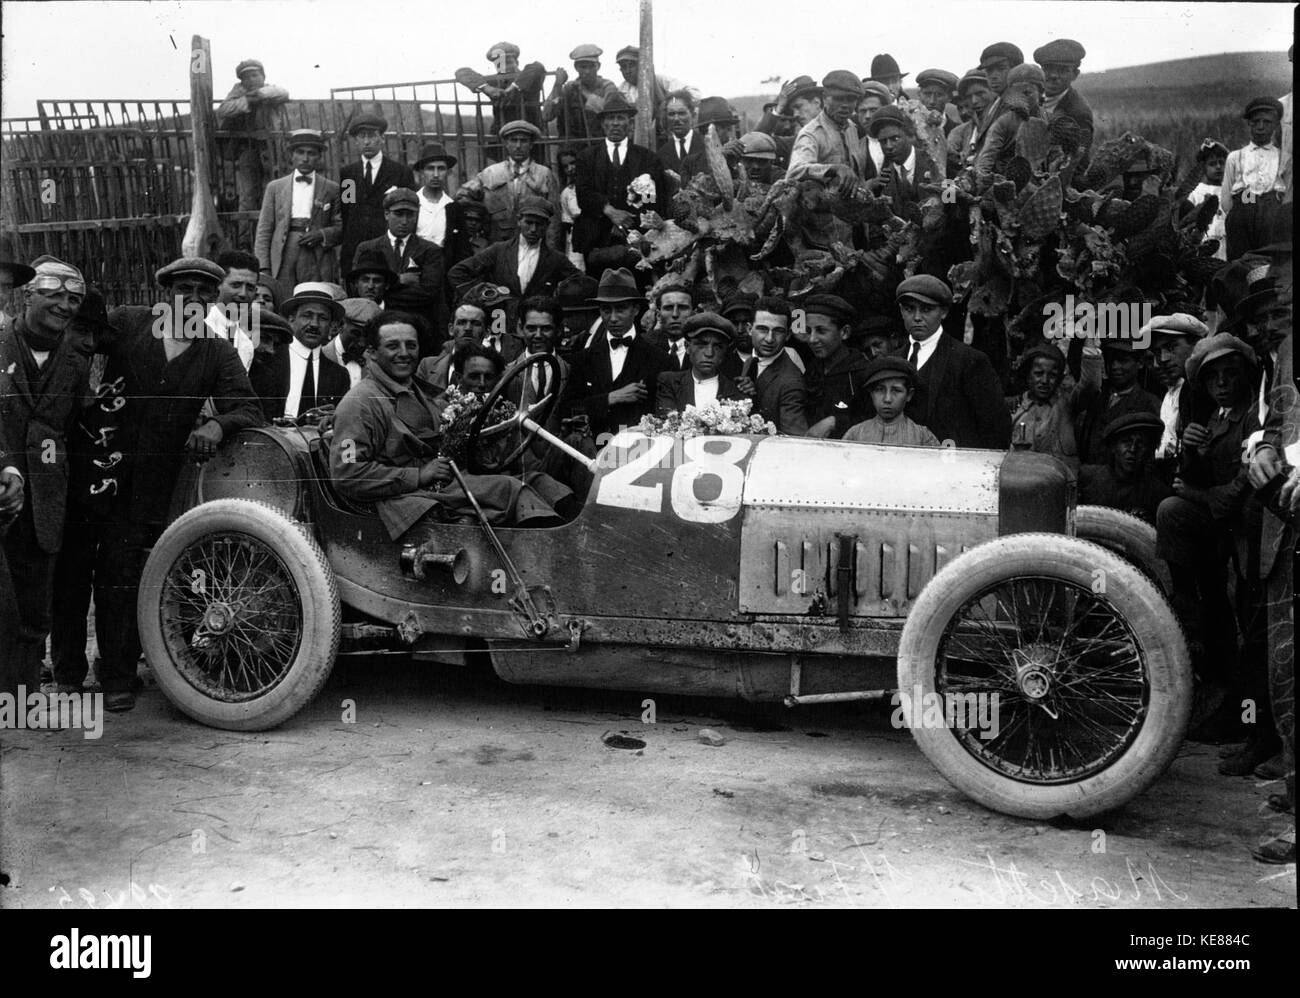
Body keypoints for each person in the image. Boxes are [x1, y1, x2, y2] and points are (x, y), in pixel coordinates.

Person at [96, 258, 263, 711]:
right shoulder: (130, 323)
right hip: (103, 470)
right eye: (182, 288)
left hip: (164, 481)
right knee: (105, 571)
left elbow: (248, 408)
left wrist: (218, 426)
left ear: (212, 301)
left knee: (146, 571)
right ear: (165, 292)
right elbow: (82, 335)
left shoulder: (216, 351)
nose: (191, 298)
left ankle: (131, 673)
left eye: (202, 292)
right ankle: (103, 669)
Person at [329, 311, 571, 537]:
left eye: (411, 345)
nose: (404, 353)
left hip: (441, 482)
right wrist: (418, 475)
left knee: (538, 480)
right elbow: (347, 474)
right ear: (371, 352)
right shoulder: (360, 403)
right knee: (509, 489)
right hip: (406, 497)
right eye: (392, 346)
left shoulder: (419, 391)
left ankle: (576, 538)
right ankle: (554, 558)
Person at [0, 256, 94, 696]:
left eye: (73, 299)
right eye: (53, 295)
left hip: (47, 498)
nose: (64, 305)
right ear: (27, 295)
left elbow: (75, 419)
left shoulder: (76, 356)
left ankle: (20, 699)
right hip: (3, 488)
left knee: (35, 608)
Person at [1156, 333, 1260, 707]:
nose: (1221, 383)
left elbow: (1235, 491)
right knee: (1171, 511)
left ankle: (1241, 704)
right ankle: (1186, 599)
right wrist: (1194, 449)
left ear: (1245, 376)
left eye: (1230, 375)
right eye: (1212, 376)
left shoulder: (1254, 419)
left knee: (1246, 616)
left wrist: (1196, 493)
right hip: (1222, 533)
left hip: (1248, 532)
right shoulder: (1217, 417)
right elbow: (1188, 479)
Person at [567, 267, 668, 441]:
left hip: (640, 454)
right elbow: (569, 408)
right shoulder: (582, 358)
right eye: (606, 310)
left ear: (636, 309)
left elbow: (666, 416)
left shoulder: (661, 359)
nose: (613, 318)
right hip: (593, 453)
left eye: (620, 309)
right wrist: (610, 398)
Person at [571, 93, 666, 271]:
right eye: (610, 118)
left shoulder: (647, 158)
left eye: (621, 118)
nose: (615, 123)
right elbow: (583, 194)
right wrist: (609, 211)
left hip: (636, 237)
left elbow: (651, 199)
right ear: (602, 123)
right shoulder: (587, 157)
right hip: (595, 238)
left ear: (630, 124)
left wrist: (626, 220)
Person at [255, 129, 342, 295]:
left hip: (316, 252)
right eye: (300, 152)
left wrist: (322, 234)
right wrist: (264, 266)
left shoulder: (333, 188)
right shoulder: (275, 187)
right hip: (284, 250)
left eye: (311, 153)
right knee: (282, 297)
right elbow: (264, 229)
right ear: (291, 155)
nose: (305, 158)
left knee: (313, 295)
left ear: (319, 157)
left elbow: (342, 226)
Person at [353, 188, 447, 338]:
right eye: (398, 214)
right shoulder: (367, 248)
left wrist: (381, 292)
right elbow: (357, 289)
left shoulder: (430, 250)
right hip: (372, 323)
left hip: (417, 326)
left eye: (410, 215)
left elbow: (427, 294)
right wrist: (399, 280)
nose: (404, 221)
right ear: (386, 214)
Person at [248, 284, 352, 420]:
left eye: (323, 318)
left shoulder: (339, 375)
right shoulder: (266, 361)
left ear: (331, 325)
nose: (314, 324)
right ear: (291, 319)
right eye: (307, 315)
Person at [447, 196, 580, 301]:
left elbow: (580, 282)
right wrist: (483, 295)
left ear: (547, 225)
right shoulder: (499, 251)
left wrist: (557, 300)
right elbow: (457, 273)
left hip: (536, 322)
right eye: (528, 222)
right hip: (500, 316)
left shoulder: (555, 259)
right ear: (519, 221)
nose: (533, 229)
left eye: (539, 224)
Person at [458, 121, 562, 248]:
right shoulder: (490, 173)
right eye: (513, 140)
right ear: (506, 144)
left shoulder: (544, 174)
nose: (518, 146)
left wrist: (549, 251)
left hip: (533, 245)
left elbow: (554, 220)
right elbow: (462, 198)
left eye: (523, 141)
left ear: (531, 145)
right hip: (497, 244)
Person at [337, 113, 414, 274]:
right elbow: (347, 212)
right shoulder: (348, 174)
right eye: (362, 136)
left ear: (382, 138)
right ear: (356, 141)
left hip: (387, 250)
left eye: (372, 136)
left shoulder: (400, 172)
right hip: (355, 250)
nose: (367, 141)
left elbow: (408, 213)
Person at [1073, 335, 1161, 466]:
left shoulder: (1151, 404)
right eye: (1110, 360)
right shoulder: (1096, 397)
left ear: (1140, 363)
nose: (1114, 366)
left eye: (1122, 360)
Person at [1141, 312, 1209, 480]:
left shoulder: (1208, 387)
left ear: (1196, 345)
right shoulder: (1182, 390)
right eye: (1157, 351)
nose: (1162, 359)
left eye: (1171, 348)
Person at [216, 59, 290, 212]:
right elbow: (223, 110)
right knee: (247, 195)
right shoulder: (238, 91)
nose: (251, 80)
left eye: (255, 75)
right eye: (246, 77)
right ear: (241, 81)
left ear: (263, 76)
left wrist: (260, 94)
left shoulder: (270, 89)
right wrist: (247, 100)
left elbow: (283, 92)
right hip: (247, 148)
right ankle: (247, 234)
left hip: (272, 149)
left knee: (274, 190)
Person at [1221, 97, 1290, 260]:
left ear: (1275, 125)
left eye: (1266, 122)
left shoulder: (1284, 157)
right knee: (1240, 262)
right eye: (1256, 122)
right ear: (1249, 124)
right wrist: (1240, 214)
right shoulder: (1235, 157)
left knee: (1269, 261)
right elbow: (1226, 199)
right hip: (1244, 206)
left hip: (1272, 211)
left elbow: (1288, 194)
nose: (1260, 127)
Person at [1078, 411, 1172, 523]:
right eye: (1126, 442)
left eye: (1140, 443)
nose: (1133, 449)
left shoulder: (1158, 493)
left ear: (1149, 450)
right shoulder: (1088, 480)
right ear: (1113, 447)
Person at [734, 297, 808, 435]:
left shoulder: (791, 381)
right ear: (750, 329)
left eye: (778, 331)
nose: (769, 339)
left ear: (787, 335)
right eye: (762, 329)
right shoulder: (752, 361)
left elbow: (795, 439)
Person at [802, 294, 869, 439]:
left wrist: (835, 422)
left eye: (821, 331)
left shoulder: (862, 373)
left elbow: (874, 421)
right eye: (808, 331)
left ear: (844, 332)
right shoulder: (812, 369)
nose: (812, 339)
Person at [454, 41, 548, 144]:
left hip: (530, 136)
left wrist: (514, 87)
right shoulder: (494, 82)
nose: (504, 67)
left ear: (517, 62)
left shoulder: (528, 79)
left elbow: (537, 66)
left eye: (507, 62)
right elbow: (462, 72)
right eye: (499, 63)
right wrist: (487, 88)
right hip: (502, 137)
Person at [786, 71, 869, 188]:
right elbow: (794, 172)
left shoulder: (852, 128)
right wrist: (833, 169)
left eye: (850, 99)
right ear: (824, 98)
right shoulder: (811, 133)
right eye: (838, 99)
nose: (845, 105)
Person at [655, 312, 745, 415]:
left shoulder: (736, 390)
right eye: (701, 345)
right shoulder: (670, 383)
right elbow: (667, 421)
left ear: (725, 351)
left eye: (718, 346)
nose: (709, 353)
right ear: (687, 347)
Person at [1008, 341, 1078, 471]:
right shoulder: (1013, 408)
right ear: (1028, 375)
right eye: (1039, 373)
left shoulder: (1068, 406)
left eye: (1052, 375)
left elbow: (1090, 382)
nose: (1045, 381)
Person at [843, 355, 941, 446]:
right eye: (880, 390)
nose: (887, 399)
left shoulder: (923, 437)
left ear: (909, 395)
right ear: (871, 393)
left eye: (896, 390)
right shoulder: (855, 435)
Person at [975, 64, 1049, 182]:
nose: (1022, 98)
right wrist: (983, 179)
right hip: (1008, 183)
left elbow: (1057, 156)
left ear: (1041, 92)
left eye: (1027, 92)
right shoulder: (1003, 123)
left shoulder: (1049, 119)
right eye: (1016, 93)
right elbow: (986, 157)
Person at [614, 45, 698, 139]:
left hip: (667, 135)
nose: (627, 71)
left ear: (642, 65)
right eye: (624, 67)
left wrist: (669, 103)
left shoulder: (660, 80)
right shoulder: (621, 90)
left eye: (631, 65)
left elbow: (694, 93)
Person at [867, 106, 941, 213]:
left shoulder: (933, 162)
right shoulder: (884, 178)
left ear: (907, 134)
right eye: (883, 141)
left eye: (895, 139)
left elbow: (951, 202)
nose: (889, 146)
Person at [1034, 38, 1094, 169]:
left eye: (1063, 70)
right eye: (1048, 68)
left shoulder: (1078, 113)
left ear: (1075, 74)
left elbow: (1077, 162)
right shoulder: (1031, 99)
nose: (1054, 75)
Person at [545, 44, 619, 142]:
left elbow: (607, 112)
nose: (587, 71)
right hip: (574, 146)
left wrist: (583, 91)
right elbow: (547, 115)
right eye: (583, 67)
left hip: (601, 144)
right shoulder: (569, 88)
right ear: (576, 68)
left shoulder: (607, 86)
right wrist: (557, 86)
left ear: (598, 66)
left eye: (591, 66)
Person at [208, 249, 261, 370]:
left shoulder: (246, 345)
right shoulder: (199, 328)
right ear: (218, 285)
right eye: (236, 285)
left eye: (250, 288)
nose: (243, 294)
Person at [1182, 140, 1230, 262]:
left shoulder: (1233, 191)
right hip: (1203, 249)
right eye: (1212, 164)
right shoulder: (1194, 193)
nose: (1218, 167)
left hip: (1227, 247)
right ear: (1203, 167)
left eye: (1221, 163)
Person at [947, 70, 994, 172]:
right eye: (968, 96)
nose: (974, 101)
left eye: (980, 93)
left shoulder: (1008, 126)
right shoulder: (960, 132)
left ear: (993, 92)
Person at [327, 297, 379, 387]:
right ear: (340, 325)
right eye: (356, 334)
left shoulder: (377, 363)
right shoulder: (318, 356)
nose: (362, 343)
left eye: (367, 336)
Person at [647, 283, 695, 364]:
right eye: (668, 308)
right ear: (658, 316)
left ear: (694, 314)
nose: (675, 314)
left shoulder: (706, 347)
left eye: (683, 308)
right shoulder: (645, 345)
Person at [658, 91, 701, 178]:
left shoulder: (706, 146)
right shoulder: (661, 154)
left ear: (693, 115)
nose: (676, 119)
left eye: (682, 113)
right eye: (671, 114)